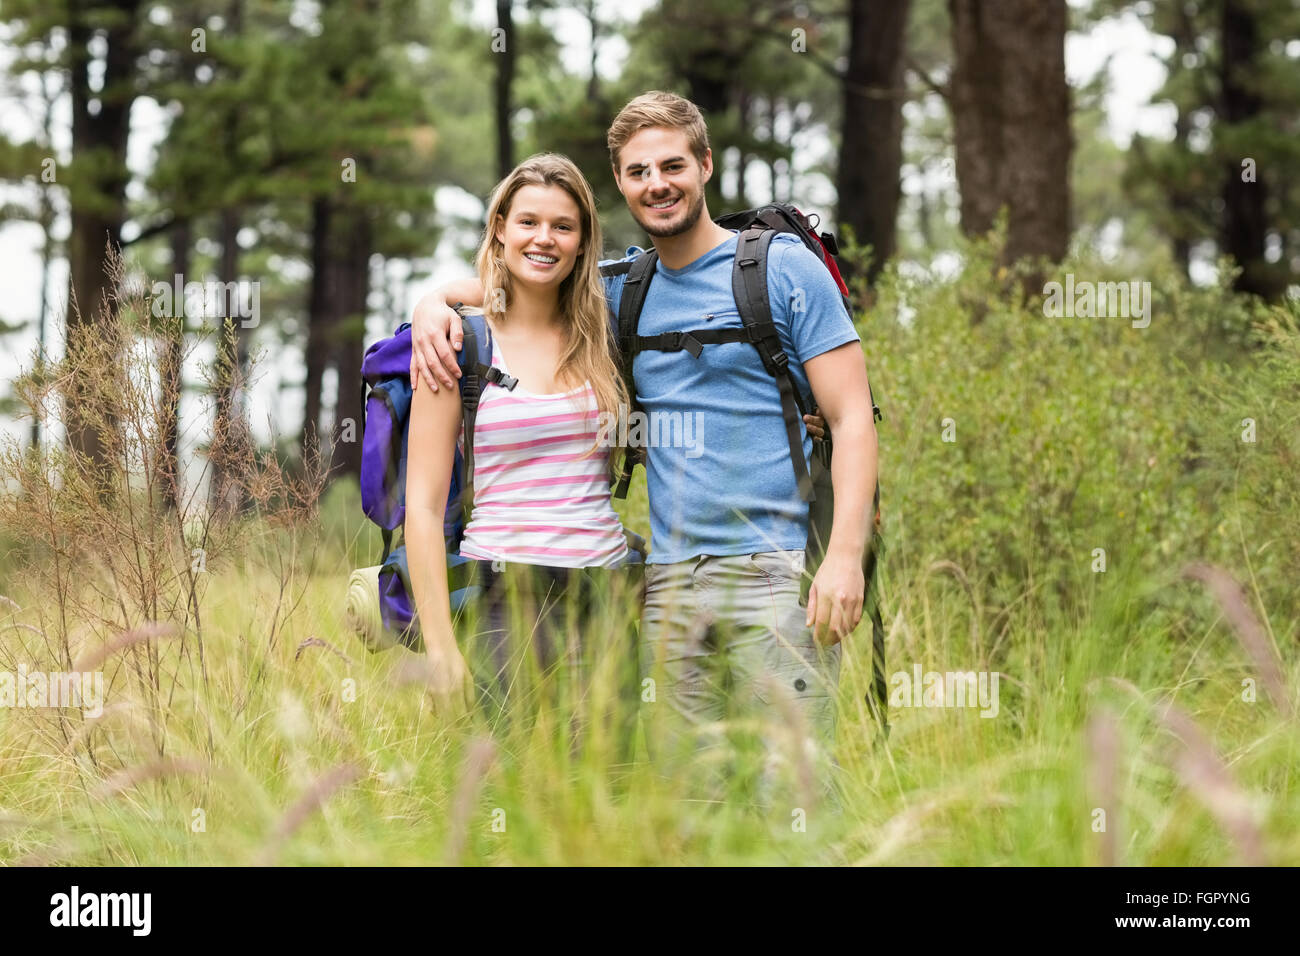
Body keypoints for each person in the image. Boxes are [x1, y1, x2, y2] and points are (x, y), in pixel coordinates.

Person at [410, 92, 878, 799]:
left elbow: (853, 419)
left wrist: (843, 558)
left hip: (778, 577)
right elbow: (523, 280)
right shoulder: (621, 293)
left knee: (795, 791)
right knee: (686, 802)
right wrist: (431, 304)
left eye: (671, 165)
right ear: (622, 184)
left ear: (705, 165)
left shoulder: (779, 268)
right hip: (663, 588)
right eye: (636, 171)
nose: (656, 183)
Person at [404, 153, 640, 757]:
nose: (545, 239)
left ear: (583, 240)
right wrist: (439, 648)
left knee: (607, 800)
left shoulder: (604, 336)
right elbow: (424, 507)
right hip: (504, 598)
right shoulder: (459, 343)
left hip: (606, 595)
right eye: (529, 222)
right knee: (499, 802)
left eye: (563, 226)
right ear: (501, 228)